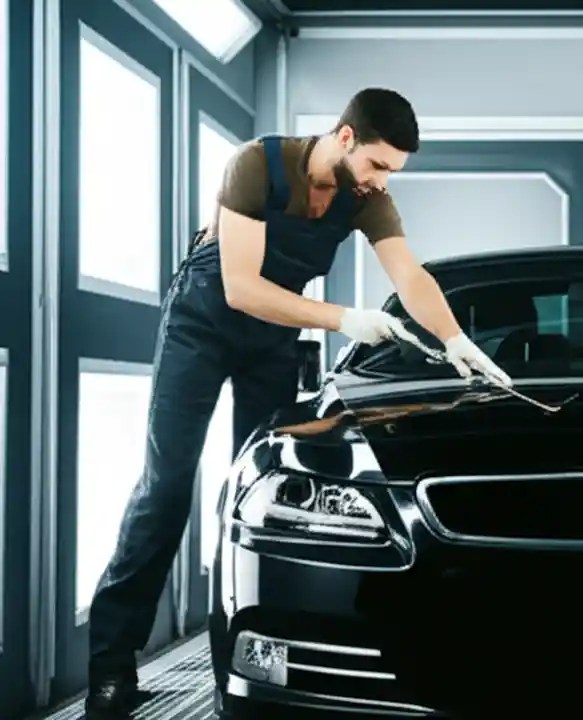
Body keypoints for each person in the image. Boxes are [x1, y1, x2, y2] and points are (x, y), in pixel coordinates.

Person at [84, 87, 510, 716]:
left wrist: (458, 341)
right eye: (378, 164)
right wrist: (343, 318)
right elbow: (240, 287)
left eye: (393, 171)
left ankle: (247, 660)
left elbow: (410, 276)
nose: (382, 181)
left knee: (261, 498)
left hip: (275, 337)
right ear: (344, 139)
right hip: (202, 323)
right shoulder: (255, 165)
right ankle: (110, 670)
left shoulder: (366, 196)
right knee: (165, 489)